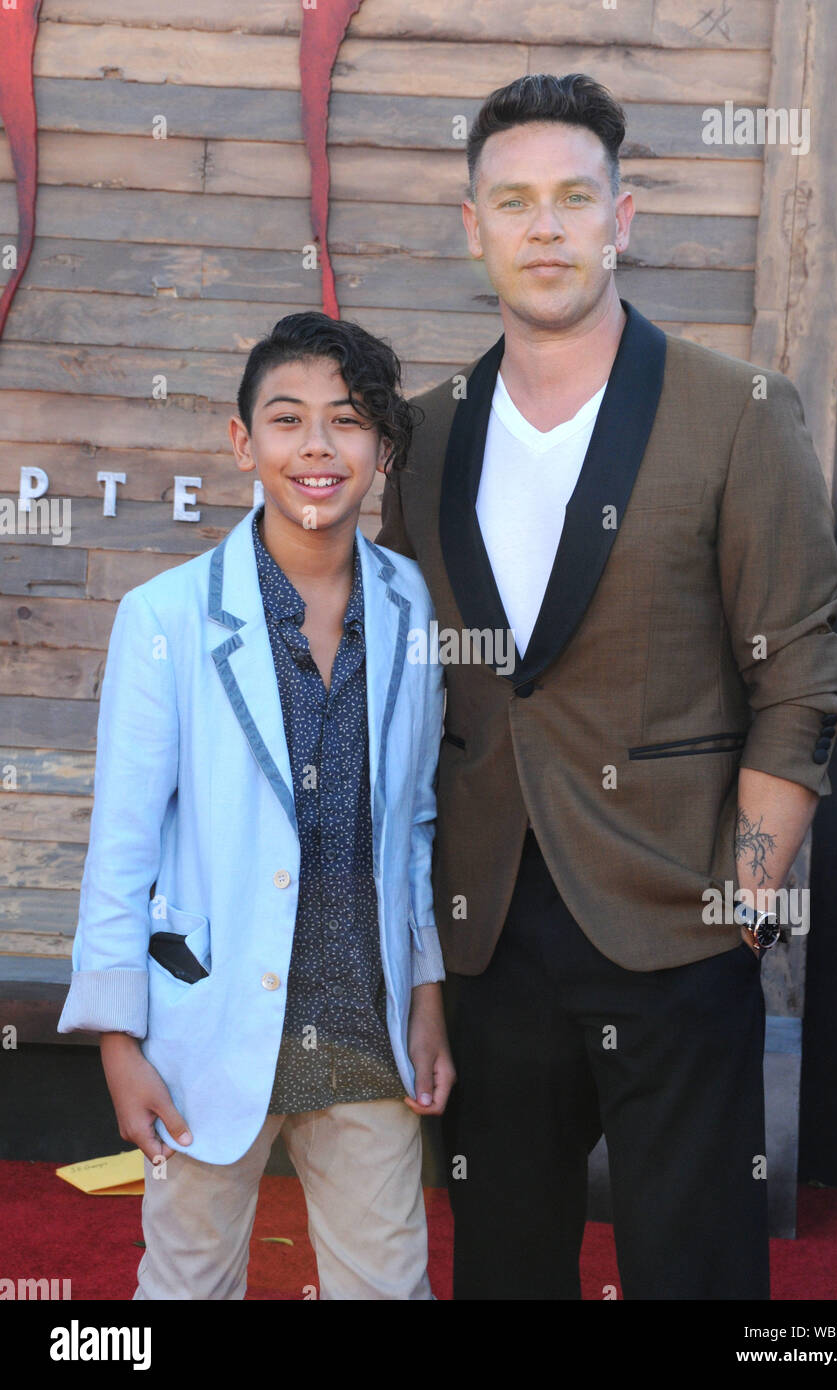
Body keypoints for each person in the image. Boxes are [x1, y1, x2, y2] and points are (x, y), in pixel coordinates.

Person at [376, 73, 837, 1300]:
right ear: (469, 224)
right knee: (505, 1268)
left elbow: (798, 675)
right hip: (487, 929)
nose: (545, 228)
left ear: (620, 219)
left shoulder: (736, 412)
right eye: (515, 201)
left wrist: (746, 904)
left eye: (573, 199)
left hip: (675, 917)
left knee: (693, 1270)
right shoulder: (424, 437)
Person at [58, 311, 455, 1300]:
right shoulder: (165, 617)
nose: (318, 446)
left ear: (382, 449)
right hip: (207, 1027)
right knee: (187, 1286)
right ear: (244, 443)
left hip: (365, 1025)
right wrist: (119, 1043)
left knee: (390, 1289)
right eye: (288, 419)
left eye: (349, 420)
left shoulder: (410, 607)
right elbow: (123, 845)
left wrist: (427, 1001)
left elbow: (411, 829)